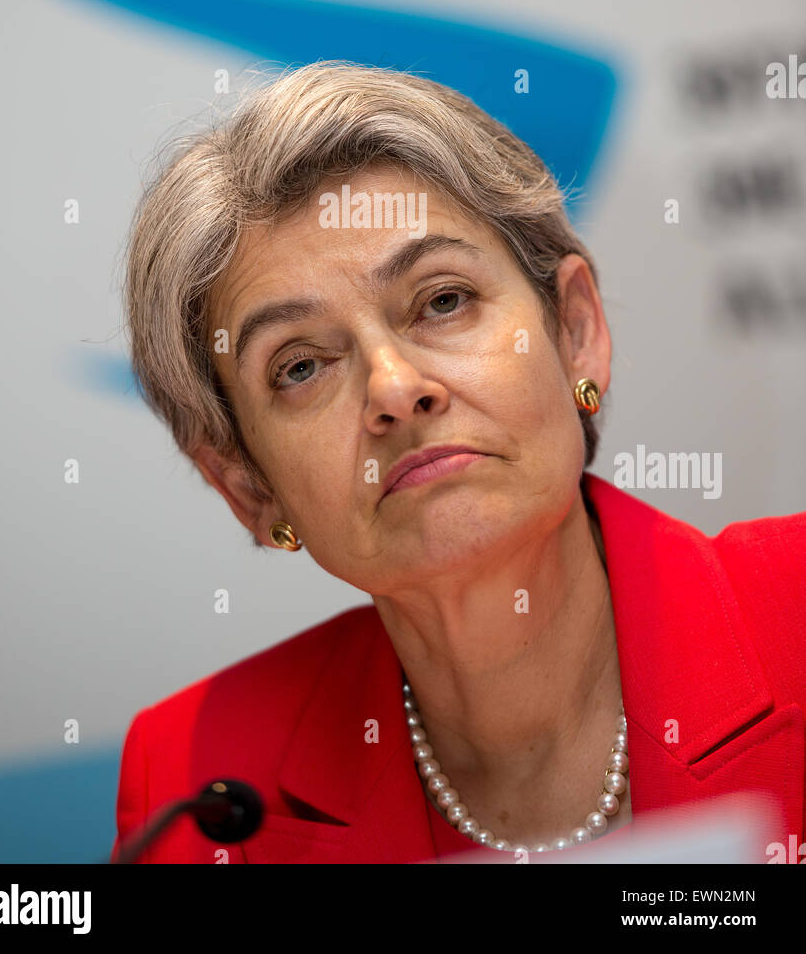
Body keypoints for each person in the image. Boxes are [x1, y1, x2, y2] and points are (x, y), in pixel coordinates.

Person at [111, 61, 806, 864]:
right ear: (249, 488)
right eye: (300, 366)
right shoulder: (198, 780)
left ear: (575, 333)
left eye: (442, 301)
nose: (395, 389)